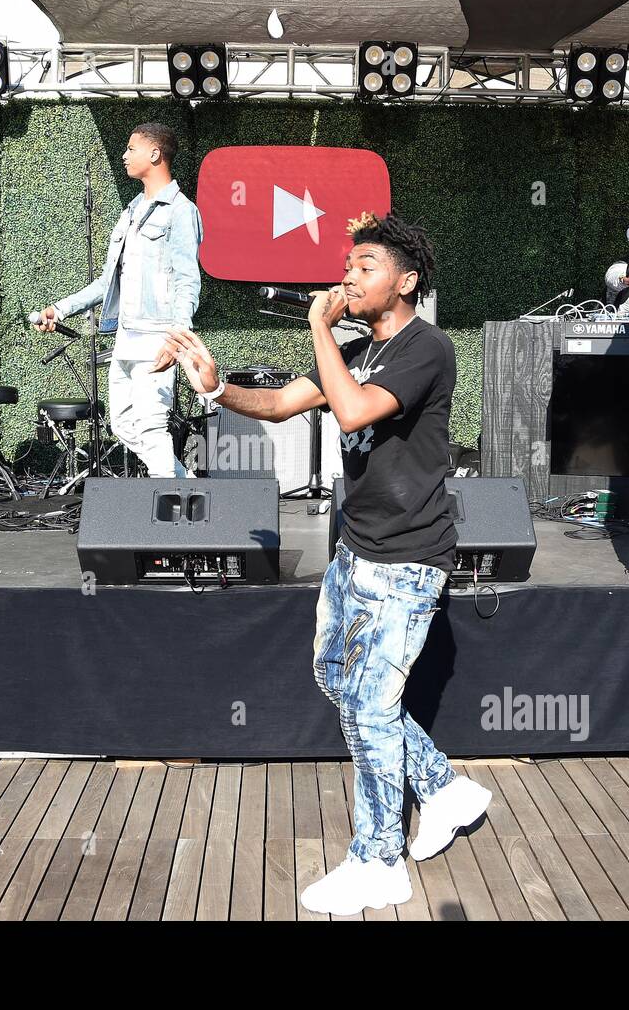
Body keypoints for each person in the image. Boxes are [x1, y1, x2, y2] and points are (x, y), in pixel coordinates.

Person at [163, 212, 491, 916]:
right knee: (337, 678)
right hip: (356, 549)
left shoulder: (426, 348)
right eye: (348, 264)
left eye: (365, 265)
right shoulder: (356, 347)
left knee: (370, 709)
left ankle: (379, 863)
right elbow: (284, 403)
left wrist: (316, 325)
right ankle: (443, 788)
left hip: (407, 558)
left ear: (406, 281)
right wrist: (216, 390)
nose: (348, 276)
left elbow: (353, 414)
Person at [33, 123, 203, 477]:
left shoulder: (180, 211)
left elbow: (188, 281)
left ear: (155, 154)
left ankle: (171, 514)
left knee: (152, 428)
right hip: (125, 338)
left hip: (158, 339)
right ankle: (185, 489)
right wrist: (59, 309)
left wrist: (178, 340)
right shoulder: (131, 211)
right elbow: (106, 282)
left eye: (131, 149)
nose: (124, 155)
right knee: (124, 427)